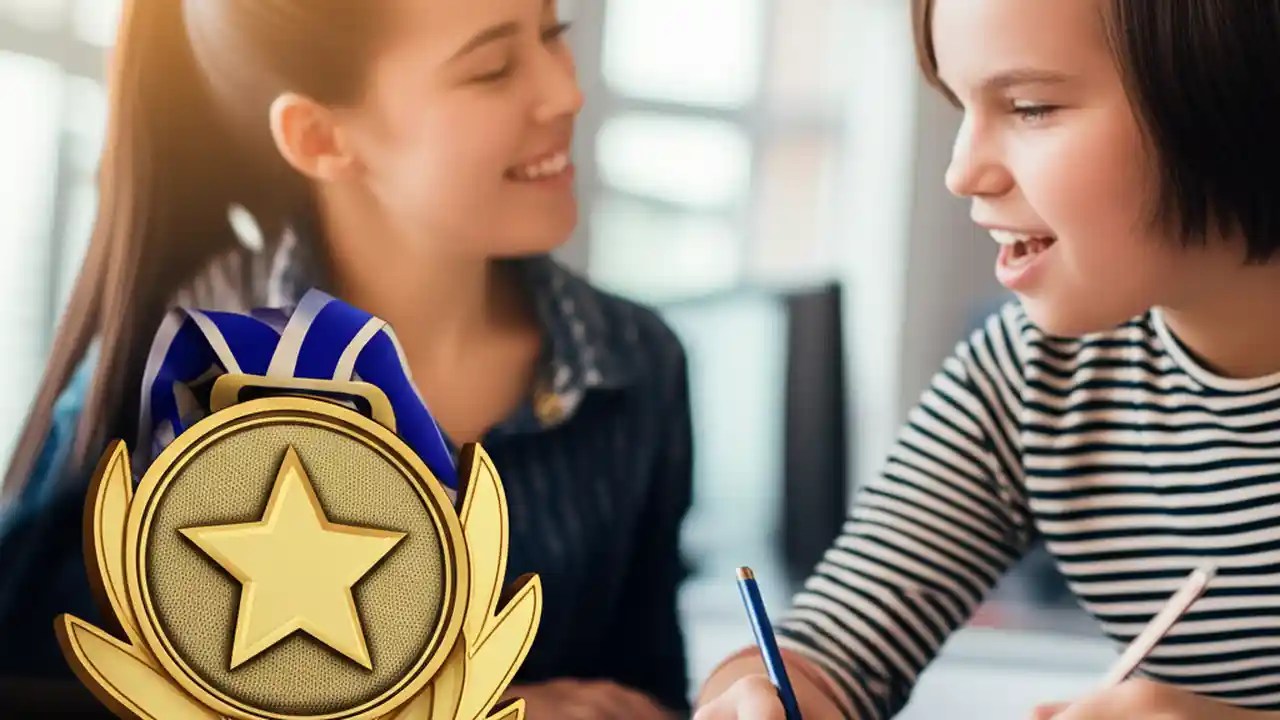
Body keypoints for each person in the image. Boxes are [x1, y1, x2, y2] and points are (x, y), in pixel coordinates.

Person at [0, 1, 693, 717]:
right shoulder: (187, 376)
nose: (566, 93)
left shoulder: (636, 364)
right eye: (491, 70)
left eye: (553, 35)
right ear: (319, 136)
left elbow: (650, 686)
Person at [695, 0, 1280, 718]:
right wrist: (759, 699)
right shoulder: (1029, 374)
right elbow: (830, 651)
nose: (963, 172)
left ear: (1234, 90)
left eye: (1030, 108)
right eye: (960, 106)